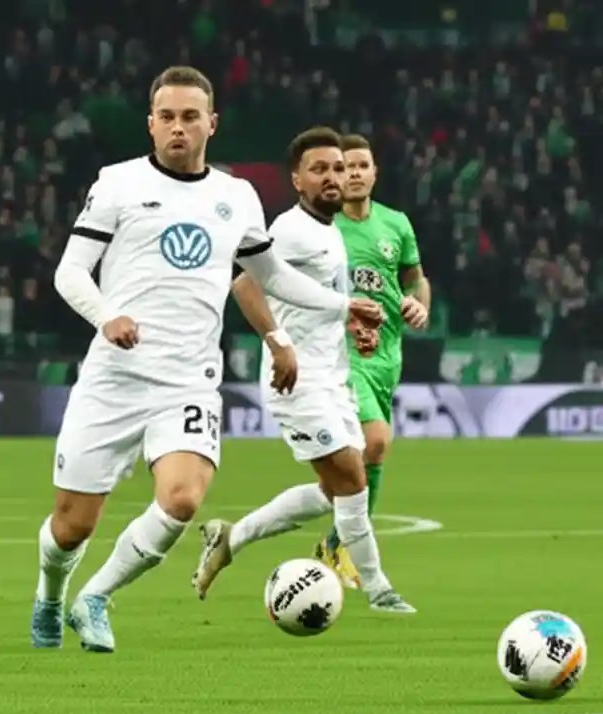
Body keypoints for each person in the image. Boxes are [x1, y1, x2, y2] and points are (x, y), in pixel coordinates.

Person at [29, 68, 384, 654]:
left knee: (182, 500)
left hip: (188, 380)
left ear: (211, 124)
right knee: (72, 526)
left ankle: (95, 597)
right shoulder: (118, 183)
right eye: (167, 117)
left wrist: (343, 305)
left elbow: (273, 276)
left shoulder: (235, 196)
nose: (178, 127)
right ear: (150, 124)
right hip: (115, 376)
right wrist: (107, 317)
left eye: (190, 117)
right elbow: (70, 272)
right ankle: (51, 593)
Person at [191, 126, 416, 615]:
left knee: (334, 489)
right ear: (297, 179)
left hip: (332, 375)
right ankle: (378, 589)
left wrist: (354, 325)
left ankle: (230, 538)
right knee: (353, 478)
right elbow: (244, 282)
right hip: (297, 379)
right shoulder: (290, 229)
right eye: (319, 170)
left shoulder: (330, 232)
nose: (333, 177)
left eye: (338, 168)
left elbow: (319, 301)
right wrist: (279, 342)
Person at [317, 133, 431, 588]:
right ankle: (343, 543)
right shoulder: (324, 228)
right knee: (377, 441)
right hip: (344, 356)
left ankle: (336, 542)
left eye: (362, 165)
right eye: (346, 167)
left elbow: (416, 280)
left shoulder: (396, 224)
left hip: (387, 355)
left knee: (368, 455)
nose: (355, 173)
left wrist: (418, 303)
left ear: (374, 172)